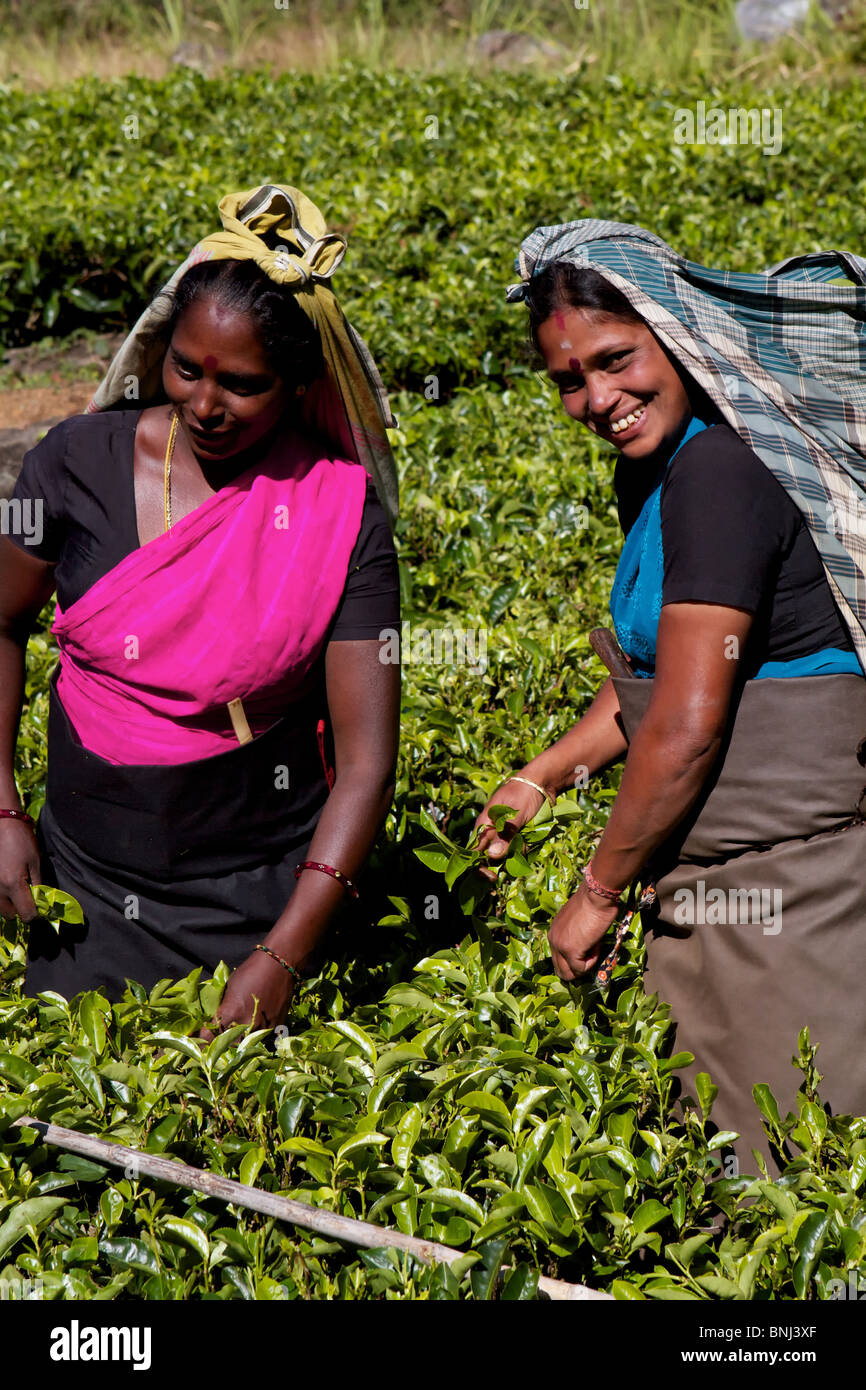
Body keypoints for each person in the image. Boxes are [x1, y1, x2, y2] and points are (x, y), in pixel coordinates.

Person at [476, 217, 866, 1175]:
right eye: (570, 379)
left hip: (792, 889)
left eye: (617, 360)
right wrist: (545, 774)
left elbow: (689, 729)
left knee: (794, 1183)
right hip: (716, 883)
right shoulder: (661, 469)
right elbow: (659, 686)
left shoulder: (722, 475)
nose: (599, 397)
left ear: (675, 336)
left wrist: (596, 892)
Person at [0, 184, 400, 1033]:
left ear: (297, 385)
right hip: (81, 878)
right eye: (187, 368)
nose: (206, 405)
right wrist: (2, 810)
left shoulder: (338, 513)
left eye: (243, 384)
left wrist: (284, 954)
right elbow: (0, 623)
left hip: (255, 891)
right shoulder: (75, 463)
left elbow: (366, 765)